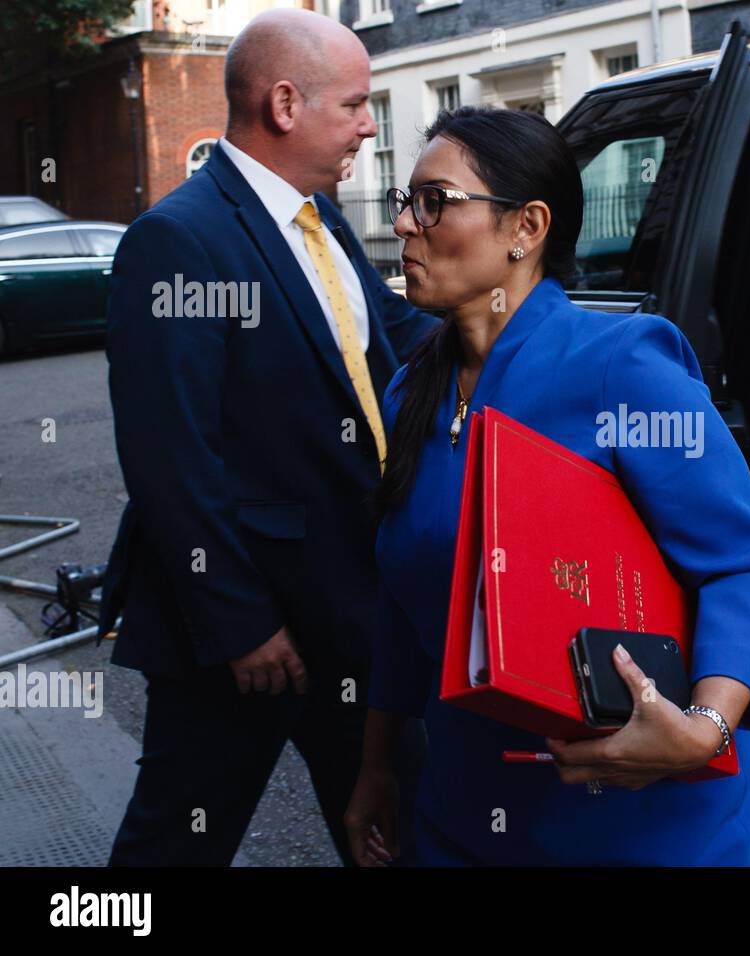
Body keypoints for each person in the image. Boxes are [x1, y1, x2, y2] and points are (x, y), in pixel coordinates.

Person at [344, 105, 750, 866]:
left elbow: (747, 566)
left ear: (526, 227)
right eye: (405, 202)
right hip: (469, 808)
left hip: (640, 819)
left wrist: (703, 729)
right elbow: (402, 603)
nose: (404, 226)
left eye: (435, 202)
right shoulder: (407, 394)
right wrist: (377, 765)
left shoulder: (624, 366)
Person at [98, 8, 436, 865]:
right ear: (285, 104)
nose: (369, 123)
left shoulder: (318, 224)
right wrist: (241, 622)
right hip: (249, 638)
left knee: (390, 824)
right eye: (355, 104)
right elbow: (171, 459)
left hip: (351, 608)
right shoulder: (178, 241)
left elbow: (391, 335)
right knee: (175, 842)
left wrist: (531, 321)